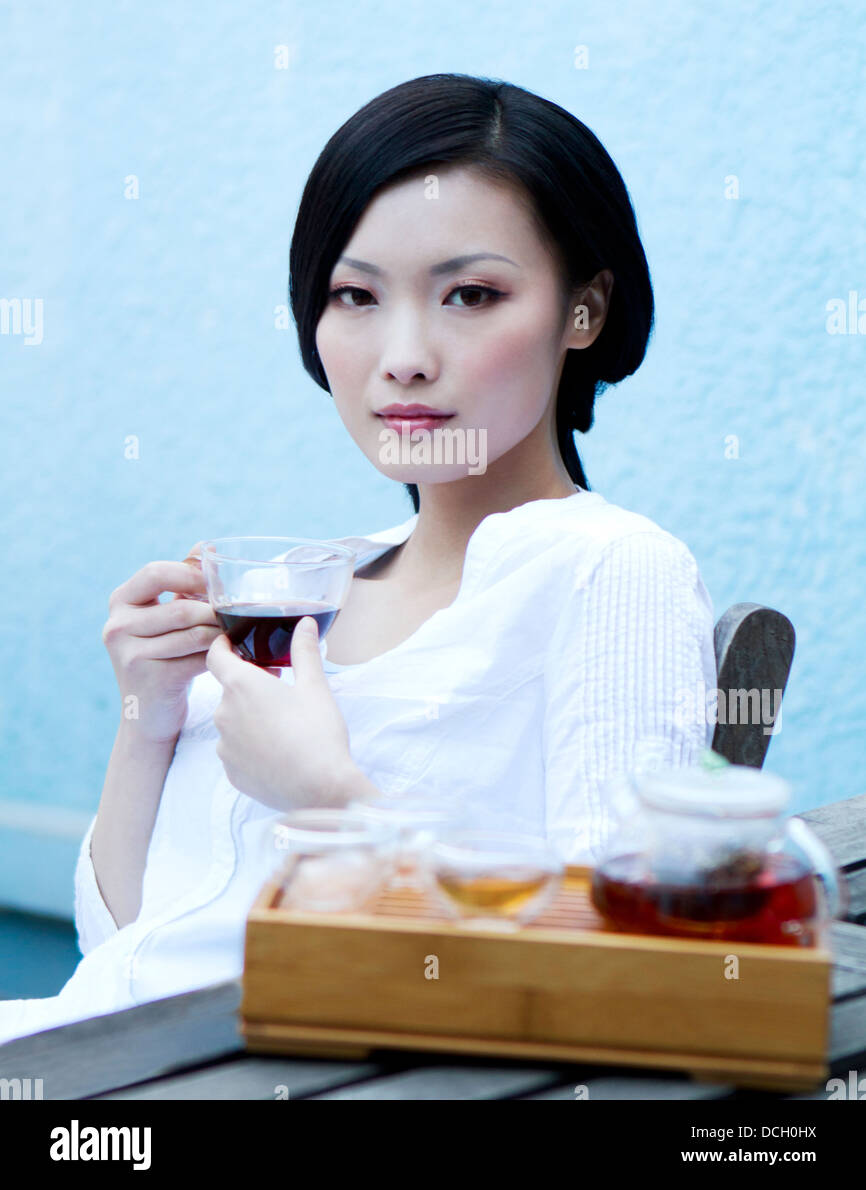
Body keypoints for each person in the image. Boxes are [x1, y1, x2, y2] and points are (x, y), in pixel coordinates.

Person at [0, 73, 716, 1046]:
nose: (404, 354)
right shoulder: (303, 580)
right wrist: (149, 714)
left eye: (469, 294)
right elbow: (130, 945)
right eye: (355, 295)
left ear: (581, 310)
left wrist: (328, 797)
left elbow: (625, 973)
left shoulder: (610, 569)